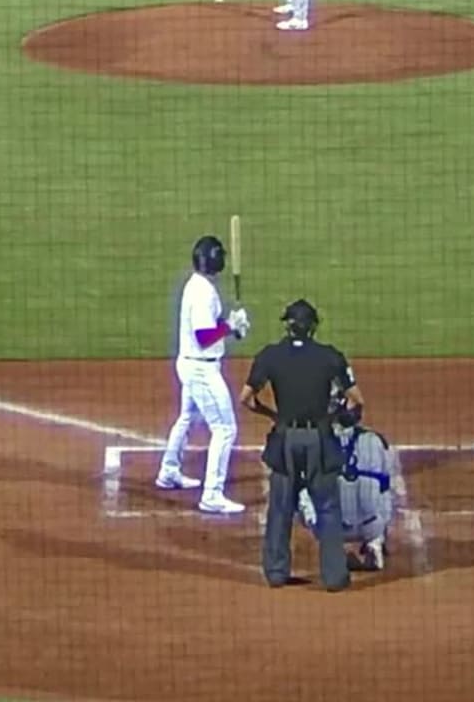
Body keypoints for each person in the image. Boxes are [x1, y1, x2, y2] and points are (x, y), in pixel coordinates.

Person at [240, 299, 363, 591]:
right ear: (314, 327)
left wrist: (273, 415)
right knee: (329, 508)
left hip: (285, 440)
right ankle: (334, 577)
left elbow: (245, 398)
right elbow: (358, 400)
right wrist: (332, 417)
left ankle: (277, 573)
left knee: (280, 507)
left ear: (288, 326)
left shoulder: (270, 356)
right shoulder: (329, 356)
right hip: (319, 440)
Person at [155, 235, 251, 515]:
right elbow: (204, 336)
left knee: (188, 417)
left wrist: (232, 327)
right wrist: (230, 326)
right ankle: (212, 494)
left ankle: (169, 471)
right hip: (201, 368)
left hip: (194, 363)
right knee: (225, 429)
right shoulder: (202, 293)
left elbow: (211, 329)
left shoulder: (199, 286)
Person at [297, 392, 396, 571]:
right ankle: (375, 543)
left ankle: (333, 549)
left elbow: (304, 487)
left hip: (329, 528)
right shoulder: (375, 441)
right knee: (384, 487)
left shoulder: (314, 443)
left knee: (303, 489)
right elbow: (385, 488)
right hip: (371, 525)